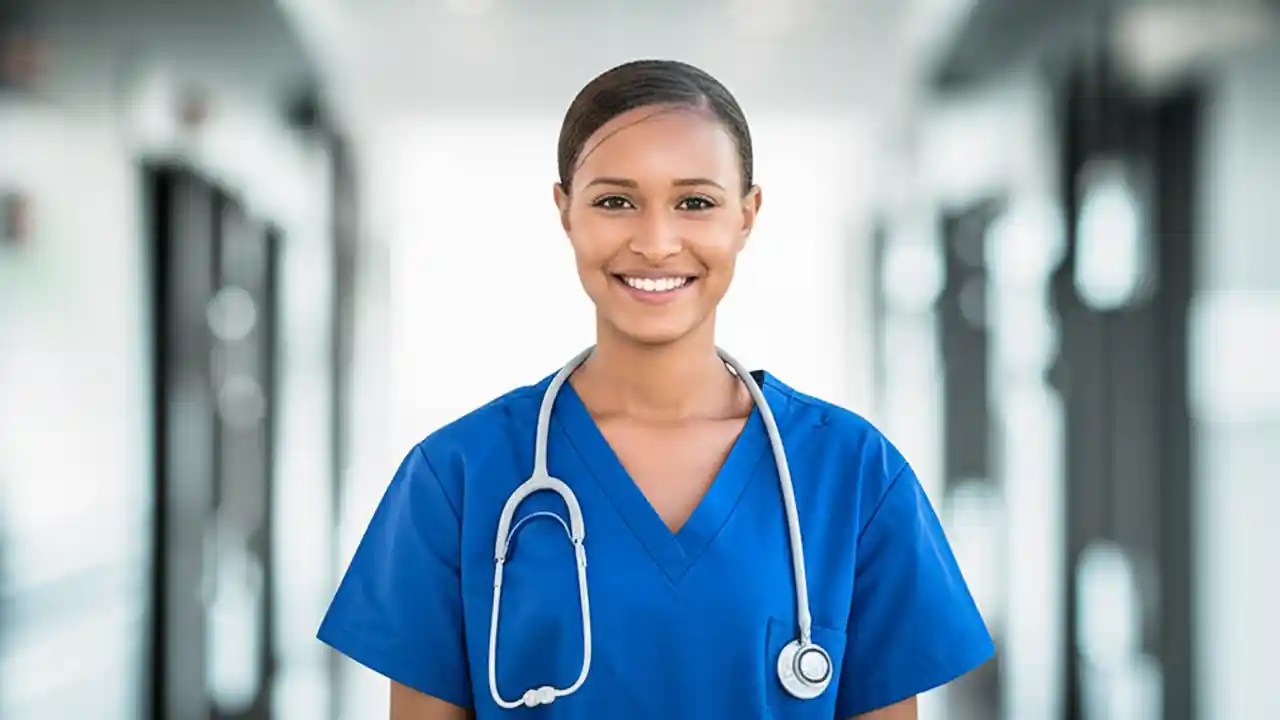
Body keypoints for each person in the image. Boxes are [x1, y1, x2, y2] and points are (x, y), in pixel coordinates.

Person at [317, 59, 994, 719]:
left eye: (695, 202)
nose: (656, 241)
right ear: (565, 211)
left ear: (747, 216)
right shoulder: (456, 478)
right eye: (615, 201)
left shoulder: (852, 476)